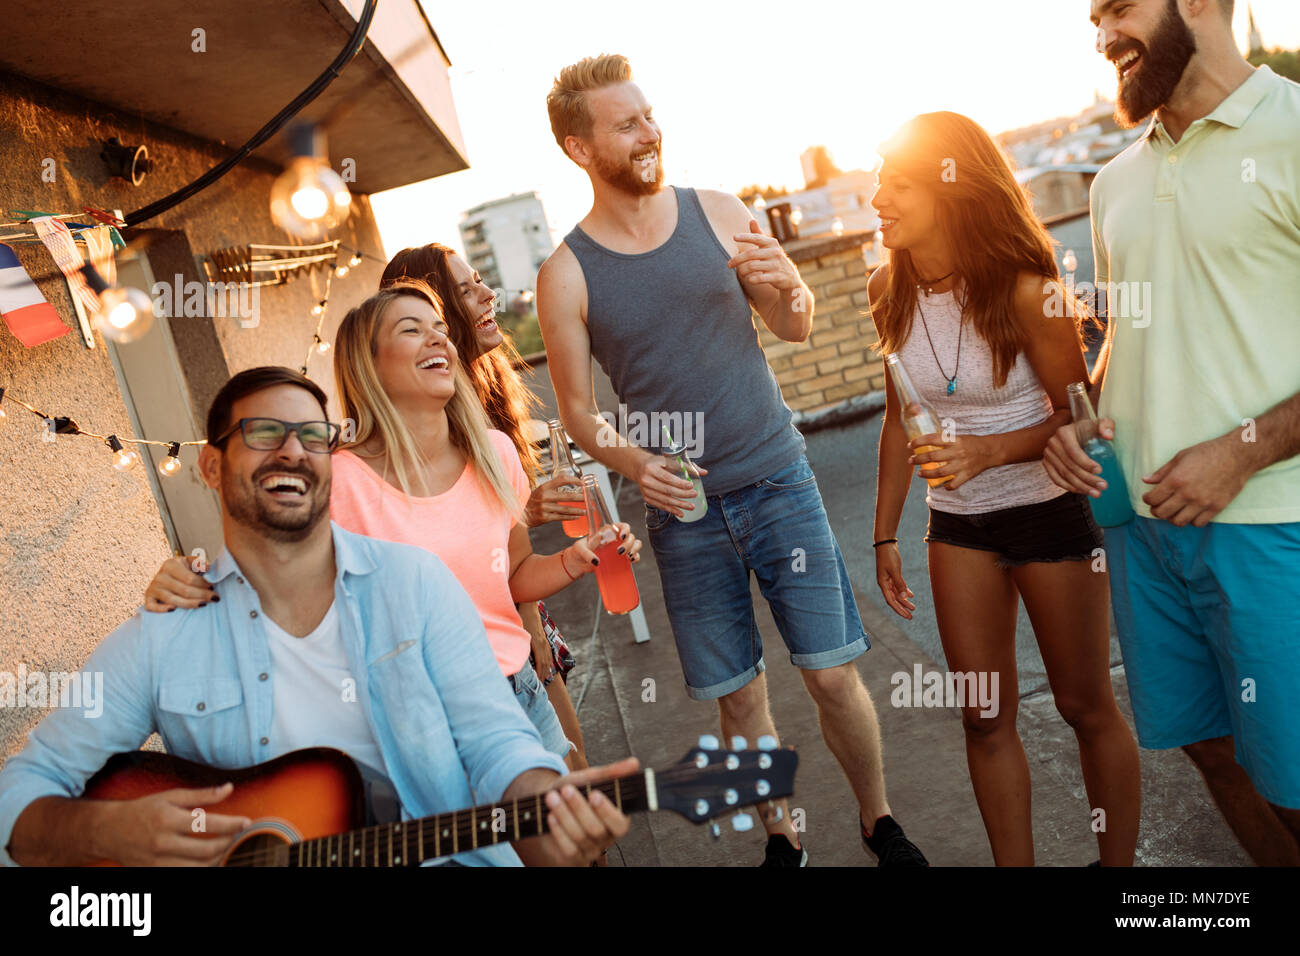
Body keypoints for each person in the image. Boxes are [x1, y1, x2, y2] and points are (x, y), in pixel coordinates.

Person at [536, 53, 925, 866]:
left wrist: (791, 289)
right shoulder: (565, 273)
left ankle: (878, 821)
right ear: (581, 149)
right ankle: (783, 840)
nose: (650, 132)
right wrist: (638, 466)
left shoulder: (717, 210)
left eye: (649, 115)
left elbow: (794, 325)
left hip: (780, 480)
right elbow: (576, 413)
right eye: (627, 124)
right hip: (685, 515)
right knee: (740, 699)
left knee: (828, 675)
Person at [0, 366, 633, 866]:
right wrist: (106, 829)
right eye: (264, 433)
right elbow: (18, 799)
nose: (293, 451)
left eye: (312, 435)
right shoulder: (166, 633)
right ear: (212, 466)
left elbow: (495, 741)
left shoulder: (414, 585)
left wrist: (546, 811)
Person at [143, 283, 642, 776]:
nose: (438, 340)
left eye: (440, 329)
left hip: (516, 691)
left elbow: (512, 576)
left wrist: (576, 559)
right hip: (417, 720)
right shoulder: (336, 481)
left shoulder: (495, 452)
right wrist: (185, 581)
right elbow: (270, 591)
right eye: (413, 330)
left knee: (564, 847)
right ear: (370, 365)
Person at [1044, 0, 1300, 864]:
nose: (1101, 31)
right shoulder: (1111, 181)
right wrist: (1082, 424)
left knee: (1295, 781)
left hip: (1269, 526)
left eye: (1119, 7)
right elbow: (1122, 338)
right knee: (1210, 750)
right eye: (1094, 16)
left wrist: (1244, 450)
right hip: (1144, 536)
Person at [868, 111, 1140, 866]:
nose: (878, 198)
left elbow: (1081, 413)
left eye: (899, 183)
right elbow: (897, 421)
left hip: (1049, 513)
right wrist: (886, 532)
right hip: (958, 526)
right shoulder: (885, 286)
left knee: (1086, 708)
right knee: (984, 718)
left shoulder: (1026, 290)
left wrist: (989, 449)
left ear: (950, 192)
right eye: (878, 181)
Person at [381, 244, 591, 771]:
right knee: (564, 777)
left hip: (516, 603)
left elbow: (501, 532)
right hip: (486, 633)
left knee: (570, 769)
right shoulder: (428, 419)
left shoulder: (486, 394)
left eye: (480, 280)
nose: (487, 293)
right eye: (465, 289)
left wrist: (525, 511)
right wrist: (529, 627)